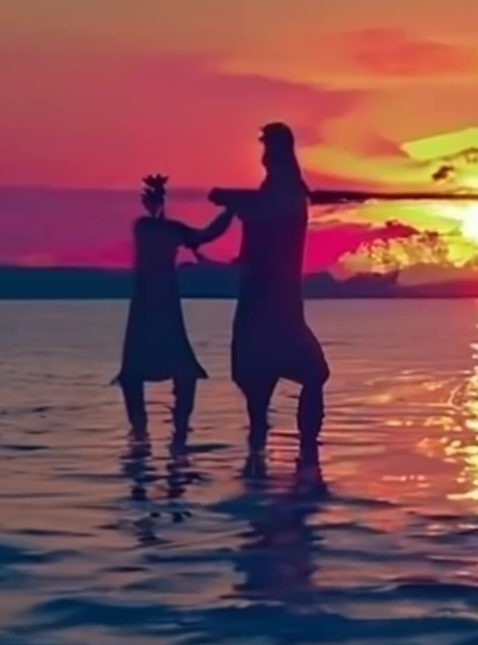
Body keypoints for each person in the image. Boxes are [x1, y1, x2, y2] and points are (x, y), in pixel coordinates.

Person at [210, 123, 331, 461]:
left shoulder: (288, 194)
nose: (265, 156)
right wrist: (233, 201)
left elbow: (269, 213)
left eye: (269, 148)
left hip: (279, 305)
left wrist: (234, 199)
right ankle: (264, 455)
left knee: (314, 374)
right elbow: (258, 214)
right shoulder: (272, 192)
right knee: (259, 394)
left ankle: (307, 456)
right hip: (258, 301)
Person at [116, 174, 233, 442]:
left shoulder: (167, 229)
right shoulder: (144, 227)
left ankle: (177, 435)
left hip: (162, 300)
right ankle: (143, 433)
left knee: (181, 371)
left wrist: (230, 211)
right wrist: (230, 211)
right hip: (149, 301)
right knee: (137, 373)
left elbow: (207, 234)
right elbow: (202, 235)